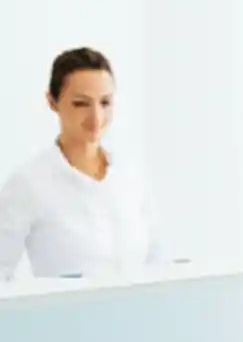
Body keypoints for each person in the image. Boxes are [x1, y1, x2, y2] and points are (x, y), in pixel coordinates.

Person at [0, 47, 165, 281]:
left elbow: (157, 261)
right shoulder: (28, 184)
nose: (96, 117)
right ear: (52, 101)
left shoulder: (130, 174)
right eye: (81, 103)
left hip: (139, 304)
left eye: (105, 102)